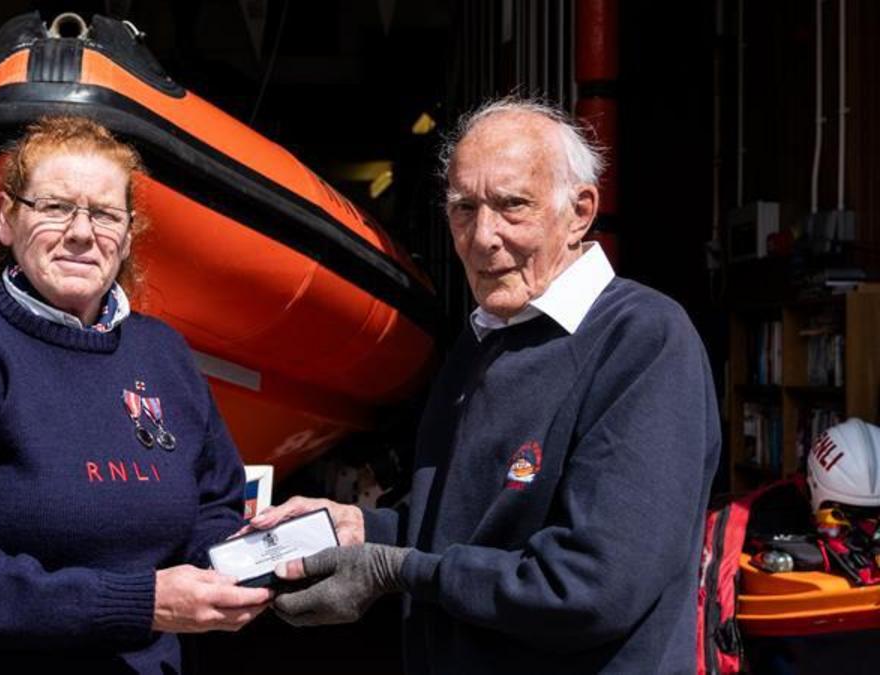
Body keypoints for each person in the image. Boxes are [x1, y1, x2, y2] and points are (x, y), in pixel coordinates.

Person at [250, 98, 721, 674]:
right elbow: (460, 532)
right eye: (464, 208)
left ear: (580, 212)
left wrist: (395, 569)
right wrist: (360, 529)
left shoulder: (644, 339)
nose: (482, 236)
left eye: (512, 205)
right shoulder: (483, 339)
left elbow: (587, 587)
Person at [0, 116, 270, 675]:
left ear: (128, 234)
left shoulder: (164, 354)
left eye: (105, 214)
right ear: (7, 219)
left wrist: (245, 564)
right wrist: (141, 603)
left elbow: (214, 505)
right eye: (55, 207)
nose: (81, 232)